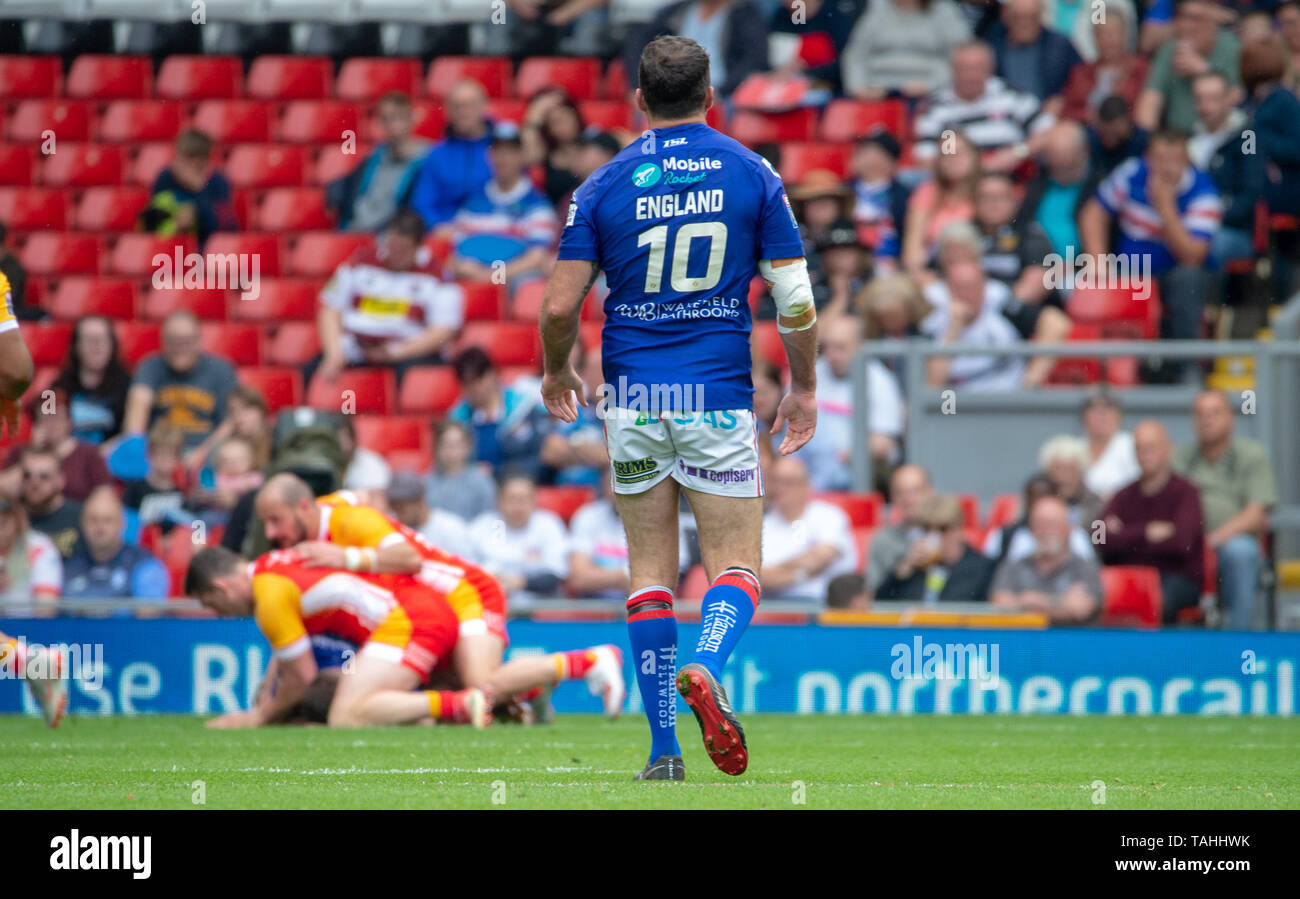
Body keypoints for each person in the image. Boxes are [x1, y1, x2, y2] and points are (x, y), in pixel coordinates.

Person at [540, 36, 817, 780]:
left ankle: (664, 753)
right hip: (717, 391)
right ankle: (708, 660)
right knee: (737, 563)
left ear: (638, 99)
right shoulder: (751, 173)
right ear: (711, 97)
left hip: (632, 392)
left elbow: (560, 304)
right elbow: (795, 300)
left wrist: (555, 369)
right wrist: (807, 385)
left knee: (649, 571)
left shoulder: (601, 185)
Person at [253, 474, 511, 691]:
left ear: (303, 507)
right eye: (265, 523)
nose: (270, 534)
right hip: (429, 605)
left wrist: (347, 556)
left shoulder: (348, 521)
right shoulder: (321, 515)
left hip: (466, 590)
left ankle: (547, 670)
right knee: (451, 684)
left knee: (480, 683)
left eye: (276, 521)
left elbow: (411, 559)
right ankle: (522, 701)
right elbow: (361, 496)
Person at [1079, 128, 1222, 346]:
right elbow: (1093, 214)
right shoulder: (1131, 172)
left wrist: (1165, 206)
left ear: (1187, 161)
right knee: (1089, 279)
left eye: (1174, 160)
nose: (1166, 168)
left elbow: (1193, 256)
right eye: (1160, 159)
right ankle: (1113, 366)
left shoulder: (1204, 191)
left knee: (1188, 279)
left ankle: (1186, 362)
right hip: (1129, 270)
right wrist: (1097, 259)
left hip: (1173, 273)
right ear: (1147, 158)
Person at [314, 209, 464, 384]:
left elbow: (443, 333)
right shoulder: (359, 262)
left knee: (416, 382)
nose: (395, 254)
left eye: (403, 249)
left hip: (406, 357)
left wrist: (395, 352)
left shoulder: (438, 278)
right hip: (355, 351)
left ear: (418, 247)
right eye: (391, 245)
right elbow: (330, 309)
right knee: (311, 372)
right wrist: (334, 352)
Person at [1172, 390, 1277, 630]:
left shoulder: (1253, 455)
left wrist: (1215, 539)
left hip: (1232, 542)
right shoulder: (1181, 457)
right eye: (1200, 414)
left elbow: (1255, 515)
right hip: (1188, 546)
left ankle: (1239, 641)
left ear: (1232, 418)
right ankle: (1167, 648)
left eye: (1215, 413)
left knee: (1240, 553)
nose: (1206, 419)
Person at [1098, 420, 1205, 622]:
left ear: (1169, 449)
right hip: (1129, 578)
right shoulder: (1123, 494)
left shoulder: (1186, 493)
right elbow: (1100, 537)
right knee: (1095, 600)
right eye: (1139, 448)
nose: (1145, 454)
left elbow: (1183, 544)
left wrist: (1124, 537)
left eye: (1152, 447)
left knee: (1155, 602)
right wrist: (1145, 531)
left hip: (1175, 578)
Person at [441, 122, 558, 290]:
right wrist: (460, 268)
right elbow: (455, 247)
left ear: (522, 156)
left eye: (510, 152)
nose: (503, 158)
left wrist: (490, 277)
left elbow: (537, 258)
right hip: (466, 282)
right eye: (498, 151)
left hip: (506, 285)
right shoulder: (474, 201)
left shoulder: (537, 204)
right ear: (489, 155)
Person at [795, 315, 903, 492]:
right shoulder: (812, 373)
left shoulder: (880, 381)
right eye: (827, 347)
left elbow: (884, 443)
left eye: (840, 348)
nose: (831, 355)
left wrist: (844, 455)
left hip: (858, 476)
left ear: (860, 346)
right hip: (808, 471)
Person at [913, 41, 1054, 170]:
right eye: (965, 68)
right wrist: (960, 167)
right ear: (953, 70)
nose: (971, 75)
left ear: (990, 69)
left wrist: (1018, 152)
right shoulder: (935, 107)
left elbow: (1048, 133)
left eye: (978, 68)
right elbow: (926, 158)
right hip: (957, 183)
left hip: (1008, 178)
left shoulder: (1012, 97)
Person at [121, 310, 236, 452]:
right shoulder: (149, 366)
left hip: (205, 452)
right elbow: (138, 407)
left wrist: (202, 454)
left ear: (198, 341)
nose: (179, 349)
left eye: (186, 342)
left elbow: (230, 422)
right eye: (172, 341)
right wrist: (135, 447)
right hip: (160, 453)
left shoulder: (221, 370)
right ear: (162, 341)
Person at [568, 477, 691, 600]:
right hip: (594, 610)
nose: (620, 489)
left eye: (627, 480)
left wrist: (600, 576)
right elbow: (579, 579)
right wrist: (633, 577)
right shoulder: (588, 516)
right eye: (613, 480)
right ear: (604, 485)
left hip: (648, 606)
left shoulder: (665, 518)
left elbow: (666, 581)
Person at [1188, 71, 1263, 270]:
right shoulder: (1188, 139)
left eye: (1213, 98)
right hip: (1191, 226)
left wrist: (1211, 217)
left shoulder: (1248, 136)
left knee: (1207, 246)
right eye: (1199, 99)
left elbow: (1251, 192)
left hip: (1232, 230)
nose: (1205, 107)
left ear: (1230, 97)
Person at [622, 0, 770, 101]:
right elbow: (636, 45)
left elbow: (754, 60)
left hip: (723, 94)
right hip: (669, 89)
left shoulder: (746, 15)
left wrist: (722, 91)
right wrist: (640, 84)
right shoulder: (675, 12)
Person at [989, 494, 1103, 624]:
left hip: (1073, 640)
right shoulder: (1014, 566)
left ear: (1069, 528)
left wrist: (1030, 601)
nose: (1045, 530)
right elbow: (1001, 605)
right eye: (1039, 524)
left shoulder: (1085, 567)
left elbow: (1081, 609)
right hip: (1023, 640)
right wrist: (1062, 604)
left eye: (1052, 524)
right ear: (1030, 529)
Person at [759, 457, 857, 604]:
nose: (780, 488)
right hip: (774, 609)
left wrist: (777, 572)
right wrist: (802, 575)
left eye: (788, 482)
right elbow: (760, 578)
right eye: (775, 481)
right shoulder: (761, 523)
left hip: (826, 608)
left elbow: (821, 557)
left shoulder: (829, 515)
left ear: (806, 486)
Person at [328, 92, 430, 232]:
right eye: (386, 119)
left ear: (412, 118)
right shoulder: (374, 158)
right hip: (354, 228)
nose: (392, 125)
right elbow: (347, 184)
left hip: (393, 234)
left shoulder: (426, 159)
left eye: (398, 118)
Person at [1135, 0, 1240, 135]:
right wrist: (1149, 139)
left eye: (1194, 19)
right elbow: (1150, 101)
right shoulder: (1169, 50)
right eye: (1181, 18)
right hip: (1179, 138)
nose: (1186, 25)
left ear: (1211, 23)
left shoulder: (1231, 46)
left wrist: (1204, 70)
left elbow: (1238, 97)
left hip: (1221, 136)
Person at [447, 347, 552, 480]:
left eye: (478, 379)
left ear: (492, 374)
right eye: (466, 383)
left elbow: (542, 459)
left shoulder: (524, 408)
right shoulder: (458, 420)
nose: (474, 388)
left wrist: (498, 472)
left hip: (521, 487)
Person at [921, 260, 1026, 391]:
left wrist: (1030, 382)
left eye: (971, 287)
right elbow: (932, 386)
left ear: (983, 287)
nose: (965, 295)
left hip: (1003, 402)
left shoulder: (1007, 312)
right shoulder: (932, 324)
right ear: (948, 289)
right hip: (953, 405)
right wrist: (954, 328)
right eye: (959, 288)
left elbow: (1053, 323)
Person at [467, 474, 570, 603]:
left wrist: (520, 582)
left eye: (523, 499)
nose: (518, 506)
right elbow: (466, 571)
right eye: (512, 499)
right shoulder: (481, 526)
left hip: (539, 605)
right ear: (498, 501)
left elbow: (555, 575)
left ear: (534, 501)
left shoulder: (548, 525)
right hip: (490, 602)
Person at [875, 492, 995, 602]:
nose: (935, 536)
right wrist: (900, 574)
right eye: (927, 529)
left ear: (959, 529)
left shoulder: (981, 568)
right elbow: (879, 605)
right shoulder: (912, 567)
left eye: (943, 529)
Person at [840, 0, 971, 100]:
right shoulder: (877, 9)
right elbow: (855, 54)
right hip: (877, 92)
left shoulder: (944, 10)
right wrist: (858, 88)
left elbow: (963, 56)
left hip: (933, 94)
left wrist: (933, 85)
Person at [1, 389, 112, 502]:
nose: (51, 424)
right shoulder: (20, 452)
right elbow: (3, 489)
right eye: (45, 417)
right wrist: (33, 452)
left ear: (69, 421)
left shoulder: (89, 455)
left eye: (57, 417)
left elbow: (104, 495)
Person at [409, 80, 493, 230]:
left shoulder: (503, 148)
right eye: (456, 107)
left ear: (483, 106)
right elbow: (422, 204)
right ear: (448, 111)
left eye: (469, 105)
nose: (463, 112)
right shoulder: (436, 154)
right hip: (446, 233)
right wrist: (438, 226)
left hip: (493, 229)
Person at [62, 486, 169, 600]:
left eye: (107, 520)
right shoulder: (68, 568)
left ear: (122, 523)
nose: (100, 527)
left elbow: (150, 614)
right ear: (82, 523)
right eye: (93, 519)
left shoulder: (145, 565)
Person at [137, 129, 236, 247]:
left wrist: (198, 189)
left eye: (197, 163)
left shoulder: (218, 181)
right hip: (168, 251)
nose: (188, 168)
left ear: (205, 162)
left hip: (207, 253)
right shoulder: (165, 177)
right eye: (183, 159)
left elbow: (225, 230)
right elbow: (151, 226)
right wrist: (176, 224)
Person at [1058, 2, 1149, 124]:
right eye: (1103, 34)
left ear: (1125, 35)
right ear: (1094, 38)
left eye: (1114, 33)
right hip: (1088, 133)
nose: (1109, 40)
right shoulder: (1081, 73)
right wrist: (1090, 115)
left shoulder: (1141, 69)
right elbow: (1067, 112)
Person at [982, 472, 1096, 565]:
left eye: (1044, 499)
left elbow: (1088, 575)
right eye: (1034, 499)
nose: (1039, 506)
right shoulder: (1004, 536)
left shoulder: (1076, 536)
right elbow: (989, 573)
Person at [51, 316, 131, 446]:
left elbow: (131, 435)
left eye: (102, 339)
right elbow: (43, 423)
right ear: (76, 346)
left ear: (112, 345)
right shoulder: (57, 387)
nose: (97, 346)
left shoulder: (128, 386)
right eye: (89, 340)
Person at [985, 0, 1081, 100]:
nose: (1024, 23)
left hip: (1049, 112)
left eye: (1032, 17)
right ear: (1005, 17)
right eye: (1017, 18)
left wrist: (1062, 100)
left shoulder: (1060, 46)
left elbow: (1081, 81)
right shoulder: (991, 49)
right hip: (1003, 111)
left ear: (1041, 17)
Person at [866, 463, 933, 600]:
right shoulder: (883, 541)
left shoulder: (949, 533)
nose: (909, 499)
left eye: (916, 491)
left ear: (930, 492)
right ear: (892, 498)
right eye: (900, 493)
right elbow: (871, 596)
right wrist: (902, 569)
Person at [848, 131, 911, 273]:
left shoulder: (904, 197)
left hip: (892, 266)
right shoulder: (843, 193)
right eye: (863, 152)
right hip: (852, 266)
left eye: (874, 153)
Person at [384, 470, 477, 563]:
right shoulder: (393, 528)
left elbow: (471, 568)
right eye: (394, 508)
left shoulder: (450, 528)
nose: (398, 514)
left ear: (419, 501)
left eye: (401, 508)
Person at [122, 421, 191, 531]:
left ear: (178, 459)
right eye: (159, 454)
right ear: (149, 455)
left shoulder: (183, 492)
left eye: (170, 455)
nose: (164, 460)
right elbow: (126, 524)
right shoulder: (135, 489)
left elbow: (195, 526)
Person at [424, 421, 497, 523]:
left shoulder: (481, 481)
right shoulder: (426, 482)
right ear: (436, 447)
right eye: (446, 444)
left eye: (456, 445)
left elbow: (488, 518)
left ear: (468, 447)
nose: (451, 450)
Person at [18, 446, 82, 560]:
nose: (34, 483)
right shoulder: (10, 520)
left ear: (61, 480)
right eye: (27, 475)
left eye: (44, 476)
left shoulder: (81, 517)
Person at [0, 494, 61, 608]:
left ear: (17, 519)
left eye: (3, 523)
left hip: (26, 623)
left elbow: (46, 609)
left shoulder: (40, 547)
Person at [1079, 391, 1140, 499]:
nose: (1101, 416)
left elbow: (1139, 483)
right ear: (1084, 417)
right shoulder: (1076, 447)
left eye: (1107, 410)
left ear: (1119, 416)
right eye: (1095, 411)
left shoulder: (1129, 444)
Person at [1038, 434, 1104, 529]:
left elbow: (1099, 540)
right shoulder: (1038, 500)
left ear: (1081, 472)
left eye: (1069, 470)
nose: (1062, 478)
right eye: (1057, 470)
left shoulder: (1096, 505)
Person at [1087, 94, 1149, 176]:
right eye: (1104, 133)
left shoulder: (1144, 141)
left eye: (1114, 133)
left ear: (1126, 122)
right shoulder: (1092, 139)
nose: (1108, 139)